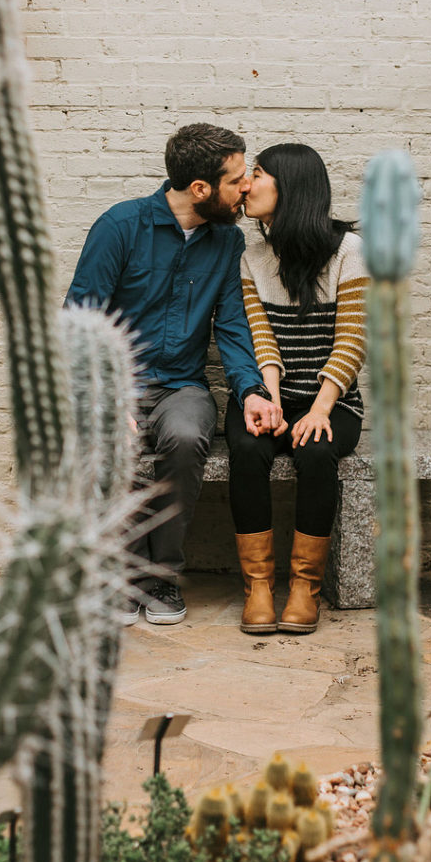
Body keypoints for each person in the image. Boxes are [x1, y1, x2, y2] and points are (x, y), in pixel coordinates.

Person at [65, 124, 281, 624]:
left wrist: (250, 389)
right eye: (236, 180)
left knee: (185, 439)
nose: (246, 187)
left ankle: (161, 580)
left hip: (183, 385)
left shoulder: (226, 242)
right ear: (200, 189)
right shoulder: (121, 227)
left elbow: (230, 323)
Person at [227, 143, 367, 634]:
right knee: (246, 446)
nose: (247, 185)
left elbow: (352, 340)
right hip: (275, 392)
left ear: (291, 186)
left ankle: (304, 586)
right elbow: (261, 337)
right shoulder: (253, 259)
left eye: (258, 174)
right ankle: (259, 586)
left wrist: (321, 408)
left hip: (334, 398)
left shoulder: (351, 253)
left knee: (316, 450)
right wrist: (271, 401)